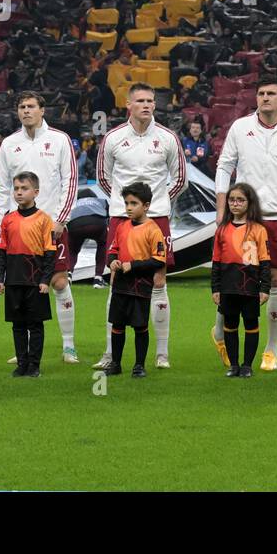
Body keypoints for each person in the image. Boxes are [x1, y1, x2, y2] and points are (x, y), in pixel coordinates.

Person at [212, 76, 277, 372]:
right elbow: (224, 166)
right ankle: (220, 332)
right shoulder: (240, 128)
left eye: (271, 94)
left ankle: (271, 350)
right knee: (235, 279)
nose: (265, 98)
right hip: (246, 216)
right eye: (261, 93)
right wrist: (221, 209)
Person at [94, 83, 186, 370]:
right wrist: (127, 206)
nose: (146, 105)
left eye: (150, 101)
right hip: (121, 218)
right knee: (116, 278)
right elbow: (103, 178)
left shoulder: (168, 138)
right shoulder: (113, 138)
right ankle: (110, 353)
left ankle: (161, 353)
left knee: (158, 280)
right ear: (128, 105)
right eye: (140, 101)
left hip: (157, 217)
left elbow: (180, 179)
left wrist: (154, 205)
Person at [0, 92, 81, 365]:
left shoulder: (60, 140)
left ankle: (68, 346)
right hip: (18, 227)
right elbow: (2, 185)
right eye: (22, 107)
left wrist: (61, 218)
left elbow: (70, 181)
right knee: (22, 285)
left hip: (52, 224)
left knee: (59, 281)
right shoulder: (9, 144)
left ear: (42, 110)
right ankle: (24, 348)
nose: (26, 111)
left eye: (31, 106)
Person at [98, 182, 166, 378]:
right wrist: (112, 261)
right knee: (117, 325)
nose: (128, 207)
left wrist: (133, 265)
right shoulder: (121, 227)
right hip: (121, 285)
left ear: (146, 206)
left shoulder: (153, 230)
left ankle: (139, 366)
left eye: (133, 203)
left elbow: (158, 259)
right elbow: (113, 249)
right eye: (126, 203)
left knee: (140, 326)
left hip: (140, 287)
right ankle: (116, 364)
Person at [0, 172, 57, 378]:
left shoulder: (44, 220)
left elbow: (50, 253)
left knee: (35, 325)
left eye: (24, 188)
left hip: (35, 281)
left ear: (36, 192)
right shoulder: (7, 220)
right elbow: (0, 252)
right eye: (16, 189)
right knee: (18, 325)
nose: (19, 192)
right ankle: (22, 364)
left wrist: (45, 280)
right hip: (13, 281)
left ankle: (34, 365)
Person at [210, 183, 271, 378]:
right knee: (230, 324)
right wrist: (215, 288)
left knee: (251, 323)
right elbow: (216, 262)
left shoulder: (258, 230)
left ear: (249, 203)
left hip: (249, 286)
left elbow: (264, 261)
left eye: (240, 200)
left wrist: (265, 288)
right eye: (232, 200)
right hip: (228, 286)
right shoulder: (222, 230)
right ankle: (234, 365)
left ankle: (247, 366)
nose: (235, 204)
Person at [67, 190, 110, 287]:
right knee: (103, 245)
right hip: (97, 223)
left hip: (75, 225)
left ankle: (68, 273)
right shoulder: (101, 201)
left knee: (72, 250)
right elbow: (109, 216)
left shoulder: (73, 204)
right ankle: (98, 278)